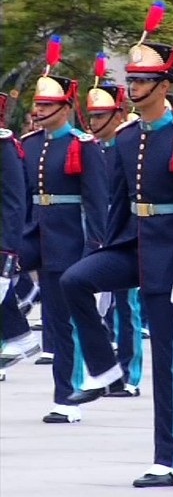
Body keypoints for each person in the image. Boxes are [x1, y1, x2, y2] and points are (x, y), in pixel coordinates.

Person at [63, 6, 173, 487]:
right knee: (74, 281)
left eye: (144, 79)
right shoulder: (126, 136)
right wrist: (103, 249)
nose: (132, 86)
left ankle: (168, 460)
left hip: (172, 255)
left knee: (167, 359)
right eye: (131, 78)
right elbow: (117, 204)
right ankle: (106, 368)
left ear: (165, 84)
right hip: (133, 244)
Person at [15, 40, 109, 424]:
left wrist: (96, 251)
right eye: (37, 105)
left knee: (59, 319)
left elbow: (97, 202)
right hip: (33, 231)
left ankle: (65, 396)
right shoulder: (31, 143)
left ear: (67, 107)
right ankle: (17, 336)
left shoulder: (82, 145)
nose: (38, 111)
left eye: (47, 106)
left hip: (67, 238)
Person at [85, 67, 145, 398]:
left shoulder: (128, 143)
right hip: (101, 232)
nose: (94, 121)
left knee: (127, 305)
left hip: (130, 234)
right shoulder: (91, 147)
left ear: (119, 113)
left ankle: (129, 373)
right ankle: (106, 368)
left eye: (102, 115)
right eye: (91, 115)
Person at [0, 92, 33, 382]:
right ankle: (20, 336)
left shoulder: (5, 146)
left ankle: (19, 337)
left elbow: (14, 203)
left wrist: (9, 251)